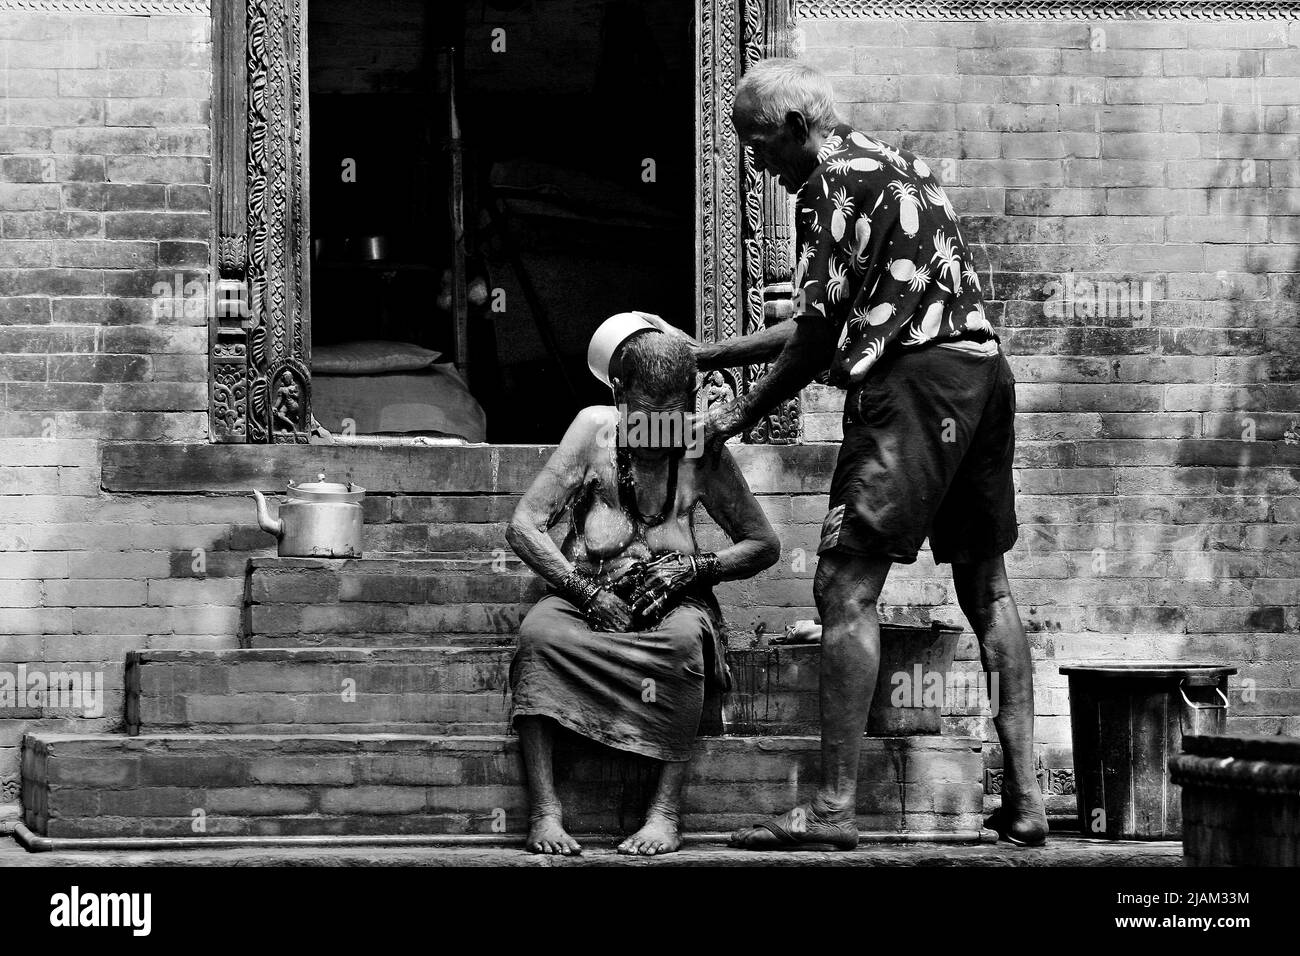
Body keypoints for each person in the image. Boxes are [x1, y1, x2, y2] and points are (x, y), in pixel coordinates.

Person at [641, 58, 1047, 849]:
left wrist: (741, 414)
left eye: (759, 145)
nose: (757, 163)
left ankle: (831, 809)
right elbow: (823, 323)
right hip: (981, 376)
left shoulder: (827, 184)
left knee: (844, 585)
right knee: (987, 584)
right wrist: (710, 355)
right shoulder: (898, 167)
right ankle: (1027, 801)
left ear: (795, 128)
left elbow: (818, 334)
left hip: (915, 391)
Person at [505, 319, 781, 856]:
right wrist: (584, 591)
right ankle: (546, 811)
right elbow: (524, 526)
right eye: (642, 419)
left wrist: (695, 570)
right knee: (538, 637)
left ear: (688, 400)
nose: (656, 435)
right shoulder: (594, 428)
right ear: (619, 394)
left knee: (682, 646)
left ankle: (663, 813)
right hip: (588, 592)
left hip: (672, 604)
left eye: (670, 419)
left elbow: (762, 543)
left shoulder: (702, 446)